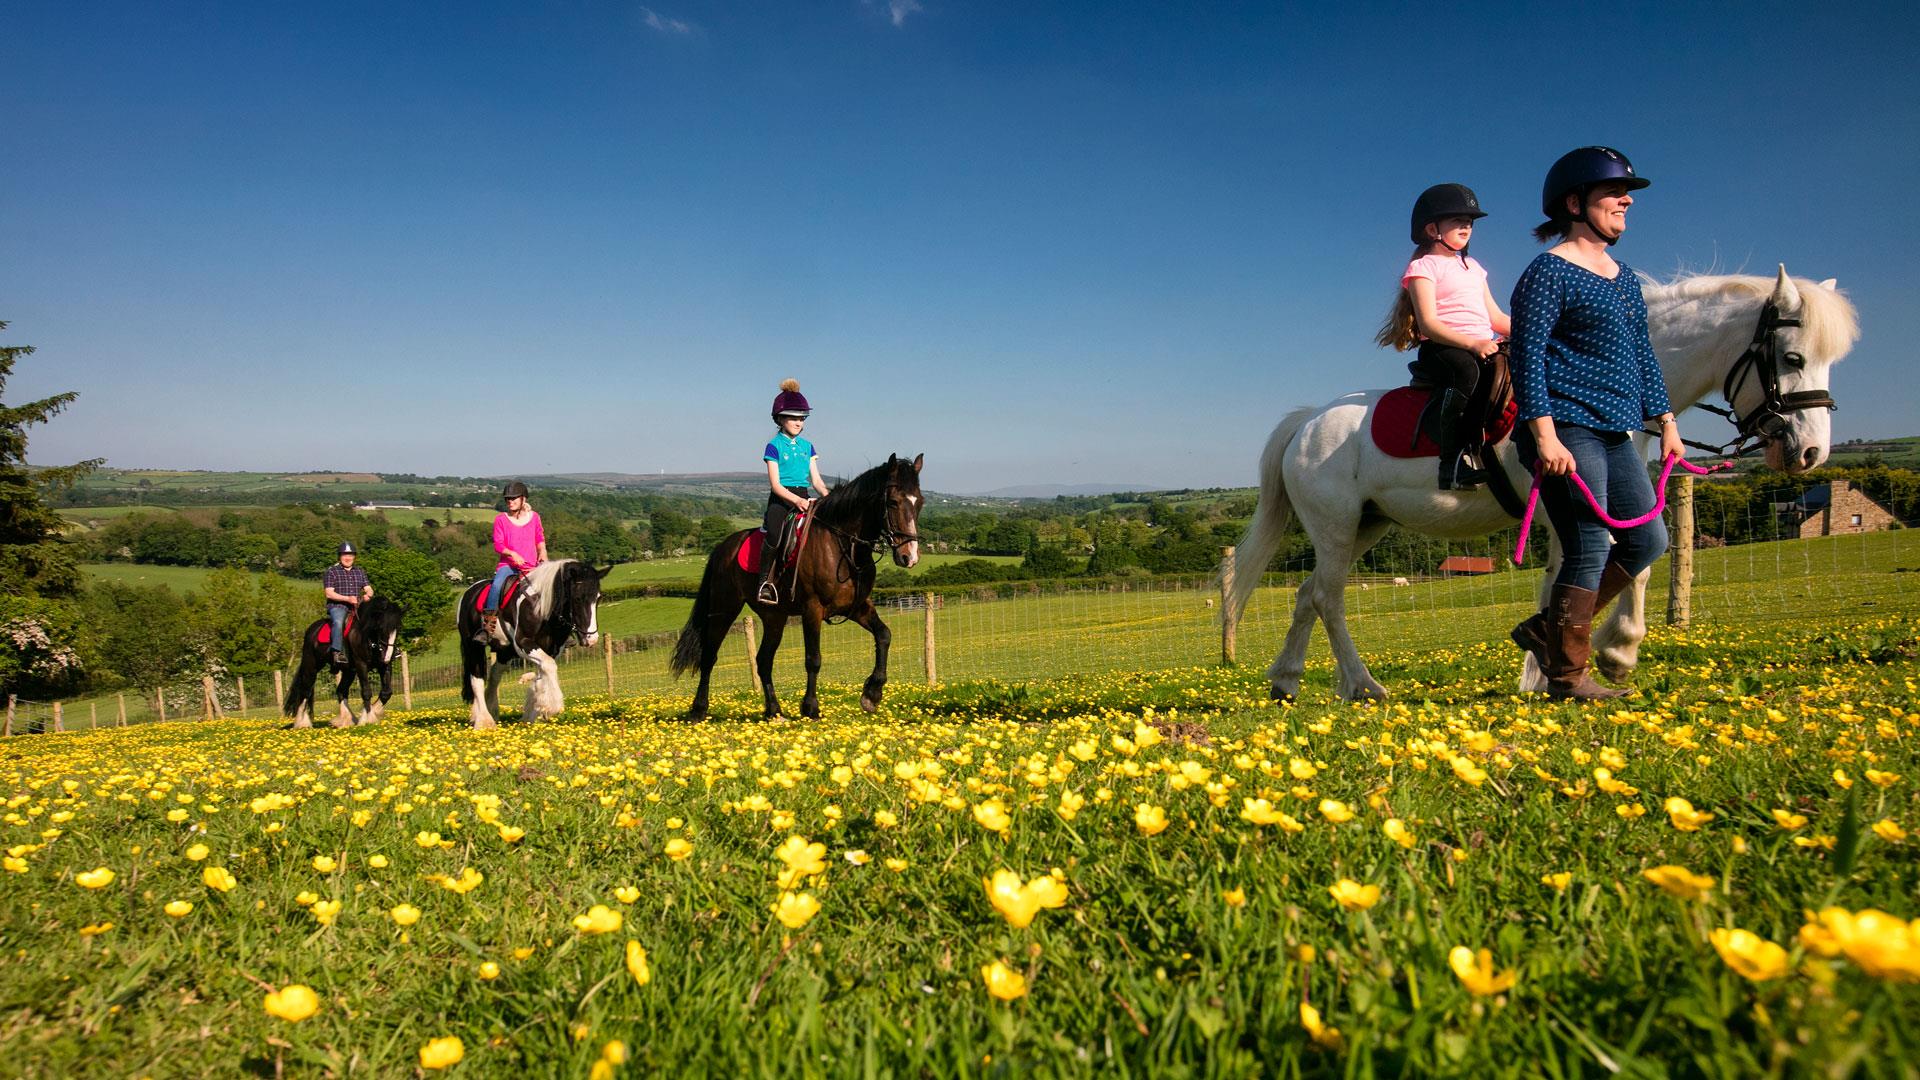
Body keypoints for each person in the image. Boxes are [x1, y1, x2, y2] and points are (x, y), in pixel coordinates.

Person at [1507, 146, 1685, 700]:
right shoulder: (1548, 272)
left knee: (1648, 539)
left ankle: (1548, 632)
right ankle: (1566, 676)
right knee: (1588, 546)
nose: (1626, 200)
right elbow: (1526, 356)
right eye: (1614, 192)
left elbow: (1641, 353)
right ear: (1575, 202)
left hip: (1615, 428)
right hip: (1564, 426)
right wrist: (1544, 435)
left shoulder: (1623, 276)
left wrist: (1667, 421)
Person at [1375, 183, 1513, 489]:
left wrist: (1535, 330)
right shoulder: (1422, 267)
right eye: (1456, 220)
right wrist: (1473, 343)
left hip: (1482, 345)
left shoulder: (1474, 267)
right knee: (1467, 371)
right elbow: (1428, 325)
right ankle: (1452, 462)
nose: (1466, 225)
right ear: (1432, 229)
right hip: (1444, 348)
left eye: (1470, 221)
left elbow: (1497, 318)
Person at [757, 379, 830, 604]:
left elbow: (816, 480)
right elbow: (776, 485)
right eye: (793, 418)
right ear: (780, 419)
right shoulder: (774, 446)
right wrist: (797, 501)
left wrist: (830, 499)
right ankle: (764, 583)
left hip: (805, 496)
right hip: (782, 499)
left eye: (801, 418)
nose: (798, 423)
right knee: (776, 534)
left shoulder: (808, 446)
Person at [477, 480, 546, 640]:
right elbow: (498, 545)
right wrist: (512, 554)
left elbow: (539, 538)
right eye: (508, 498)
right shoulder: (501, 519)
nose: (510, 501)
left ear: (523, 499)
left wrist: (543, 551)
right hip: (508, 566)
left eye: (514, 498)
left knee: (553, 586)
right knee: (496, 586)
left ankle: (559, 628)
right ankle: (488, 627)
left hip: (533, 566)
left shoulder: (534, 517)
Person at [322, 542, 373, 668]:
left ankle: (382, 650)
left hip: (357, 606)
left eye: (350, 554)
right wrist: (347, 599)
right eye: (345, 554)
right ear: (339, 556)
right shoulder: (332, 572)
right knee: (339, 622)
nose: (348, 557)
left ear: (354, 557)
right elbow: (329, 593)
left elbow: (369, 588)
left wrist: (368, 595)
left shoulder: (360, 571)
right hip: (338, 607)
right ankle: (337, 652)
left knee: (378, 618)